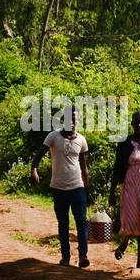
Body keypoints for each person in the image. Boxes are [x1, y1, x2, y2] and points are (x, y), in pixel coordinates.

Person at [30, 105, 91, 268]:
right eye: (69, 118)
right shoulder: (53, 137)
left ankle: (83, 255)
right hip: (58, 187)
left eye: (75, 118)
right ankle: (65, 256)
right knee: (63, 223)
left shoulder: (81, 140)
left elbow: (84, 167)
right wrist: (34, 170)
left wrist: (87, 188)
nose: (72, 121)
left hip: (77, 187)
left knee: (81, 221)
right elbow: (38, 156)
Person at [109, 109, 140, 270]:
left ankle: (139, 263)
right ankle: (125, 242)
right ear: (131, 124)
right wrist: (112, 192)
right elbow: (117, 169)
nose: (139, 125)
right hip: (129, 184)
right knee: (130, 218)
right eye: (136, 122)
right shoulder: (124, 144)